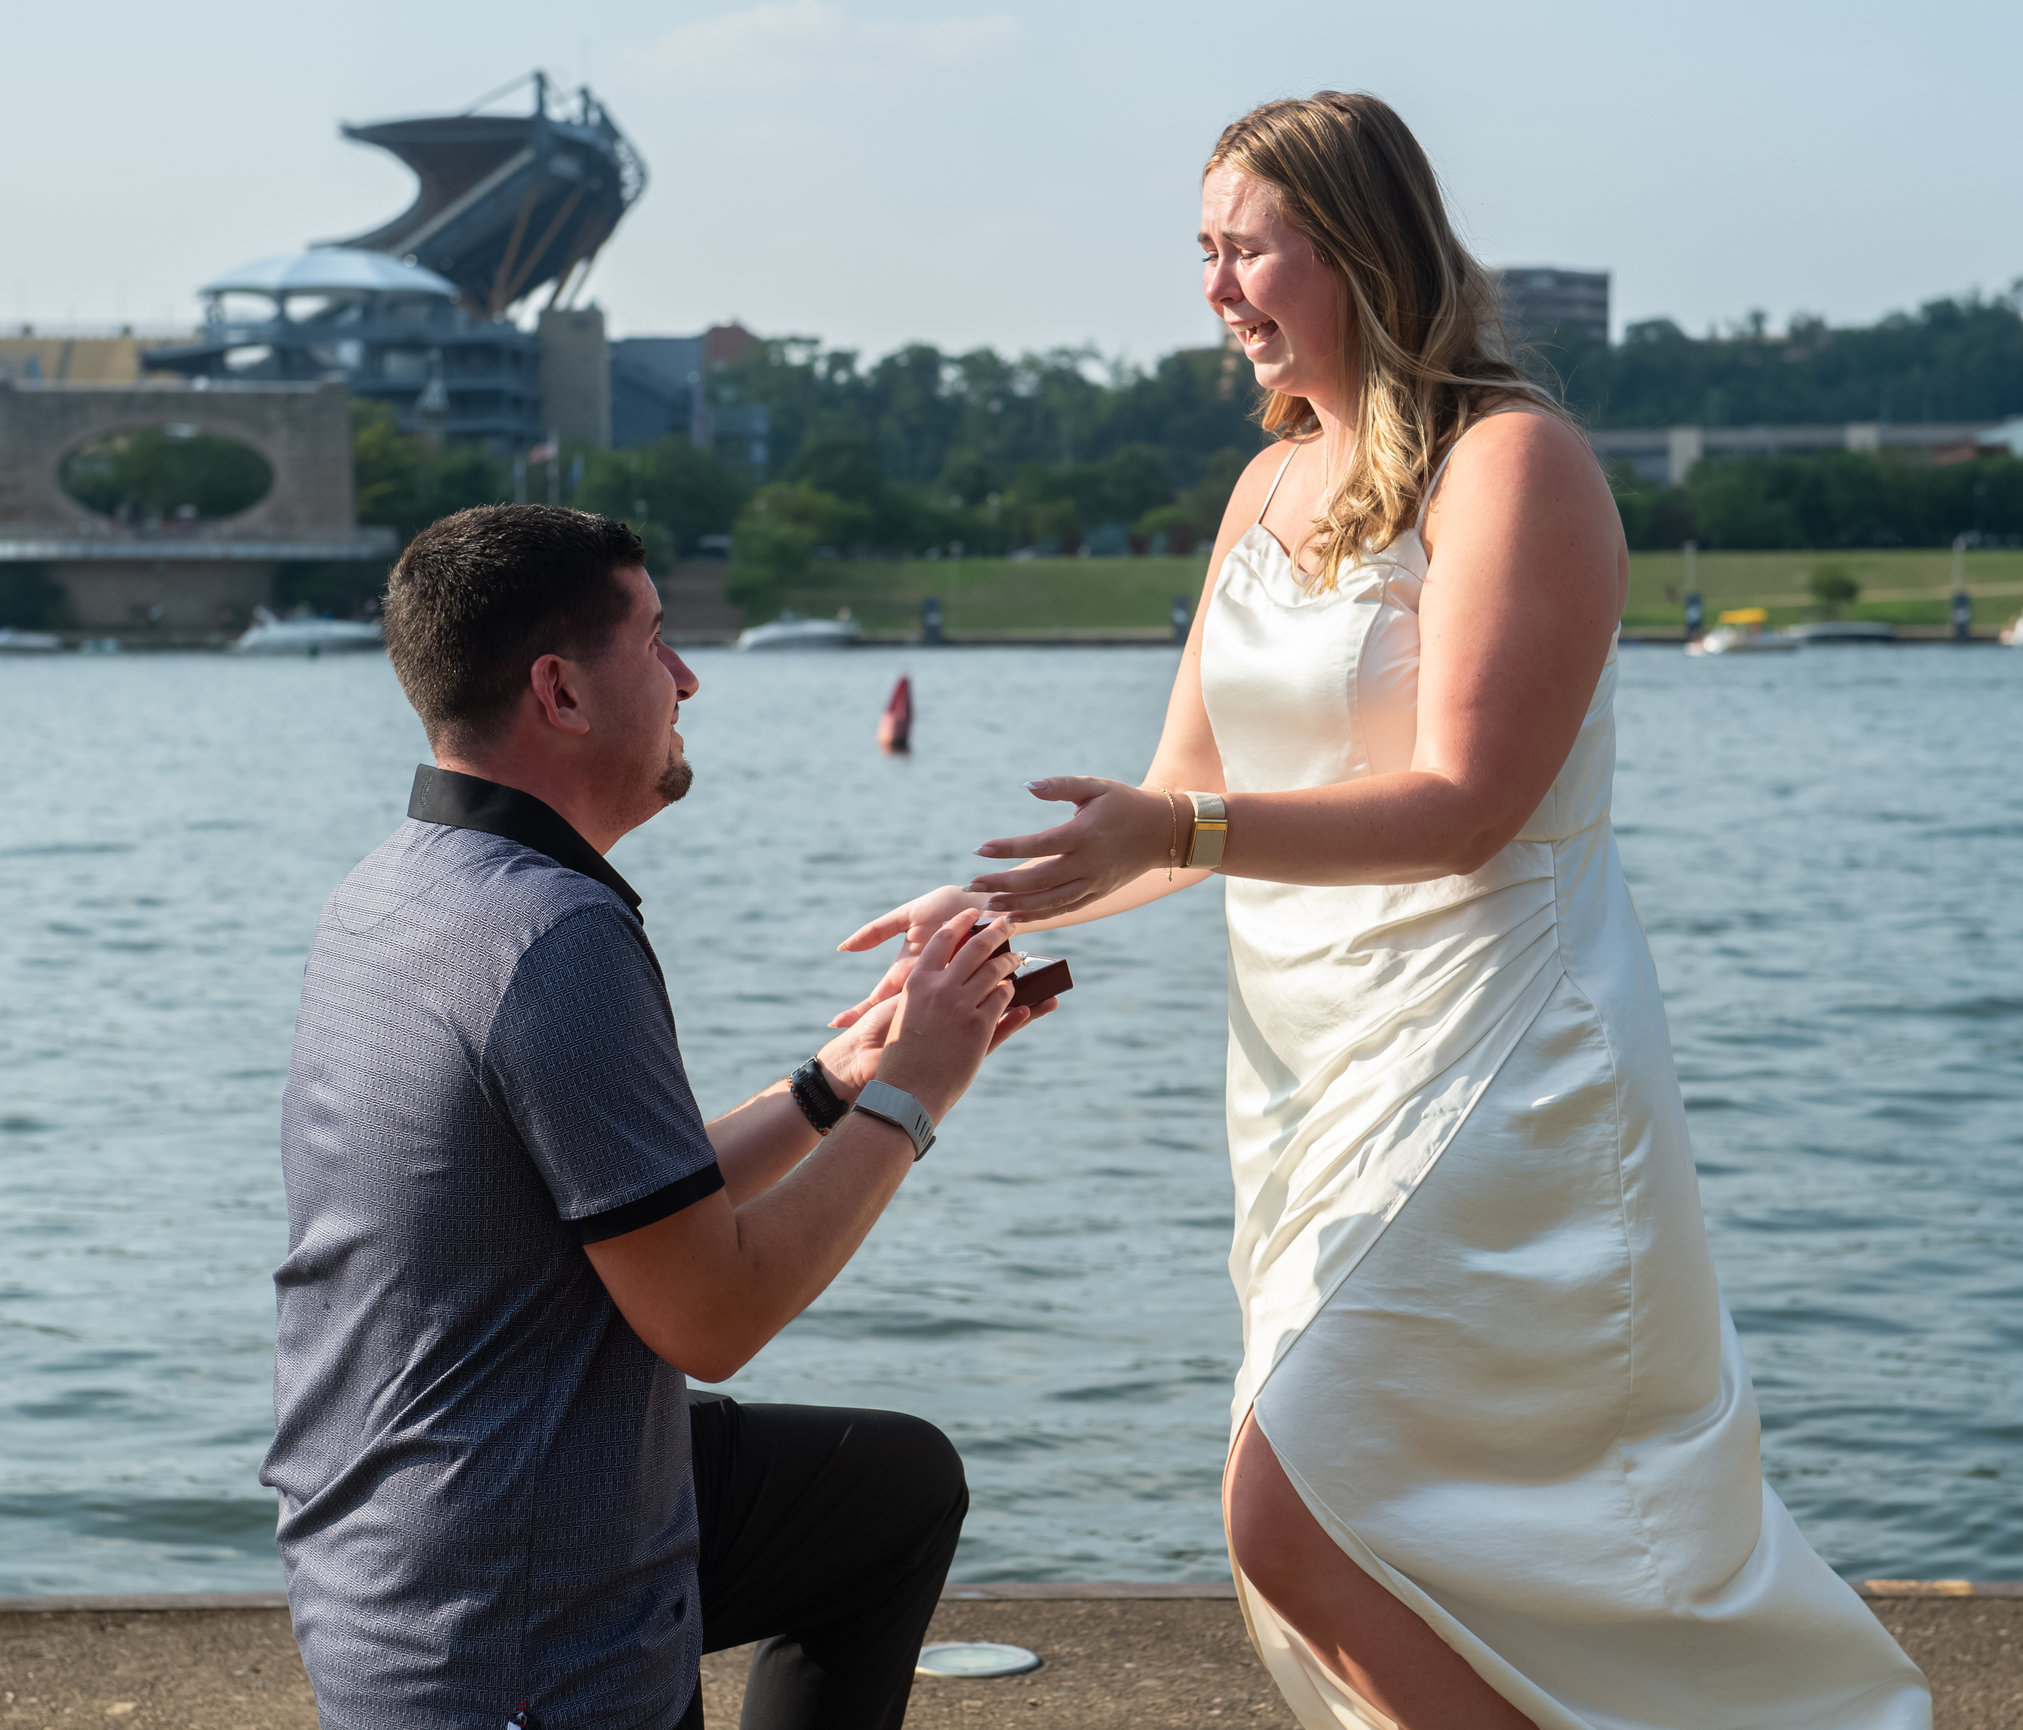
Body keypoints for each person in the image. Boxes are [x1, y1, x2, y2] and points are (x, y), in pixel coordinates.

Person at [839, 93, 1930, 1730]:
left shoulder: (1512, 462)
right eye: (1200, 251)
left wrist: (1182, 827)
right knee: (1374, 1519)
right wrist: (990, 916)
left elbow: (1467, 803)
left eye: (1244, 248)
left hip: (1496, 1052)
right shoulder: (1264, 483)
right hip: (1306, 1070)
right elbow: (1180, 806)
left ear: (1355, 246)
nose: (1213, 287)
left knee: (1289, 1504)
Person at [261, 504, 1048, 1730]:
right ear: (561, 691)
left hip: (392, 1541)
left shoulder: (399, 887)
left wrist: (836, 1081)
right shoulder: (556, 936)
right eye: (655, 641)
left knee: (887, 1489)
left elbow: (636, 1204)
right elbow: (711, 1314)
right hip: (508, 1636)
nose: (687, 678)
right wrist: (919, 1090)